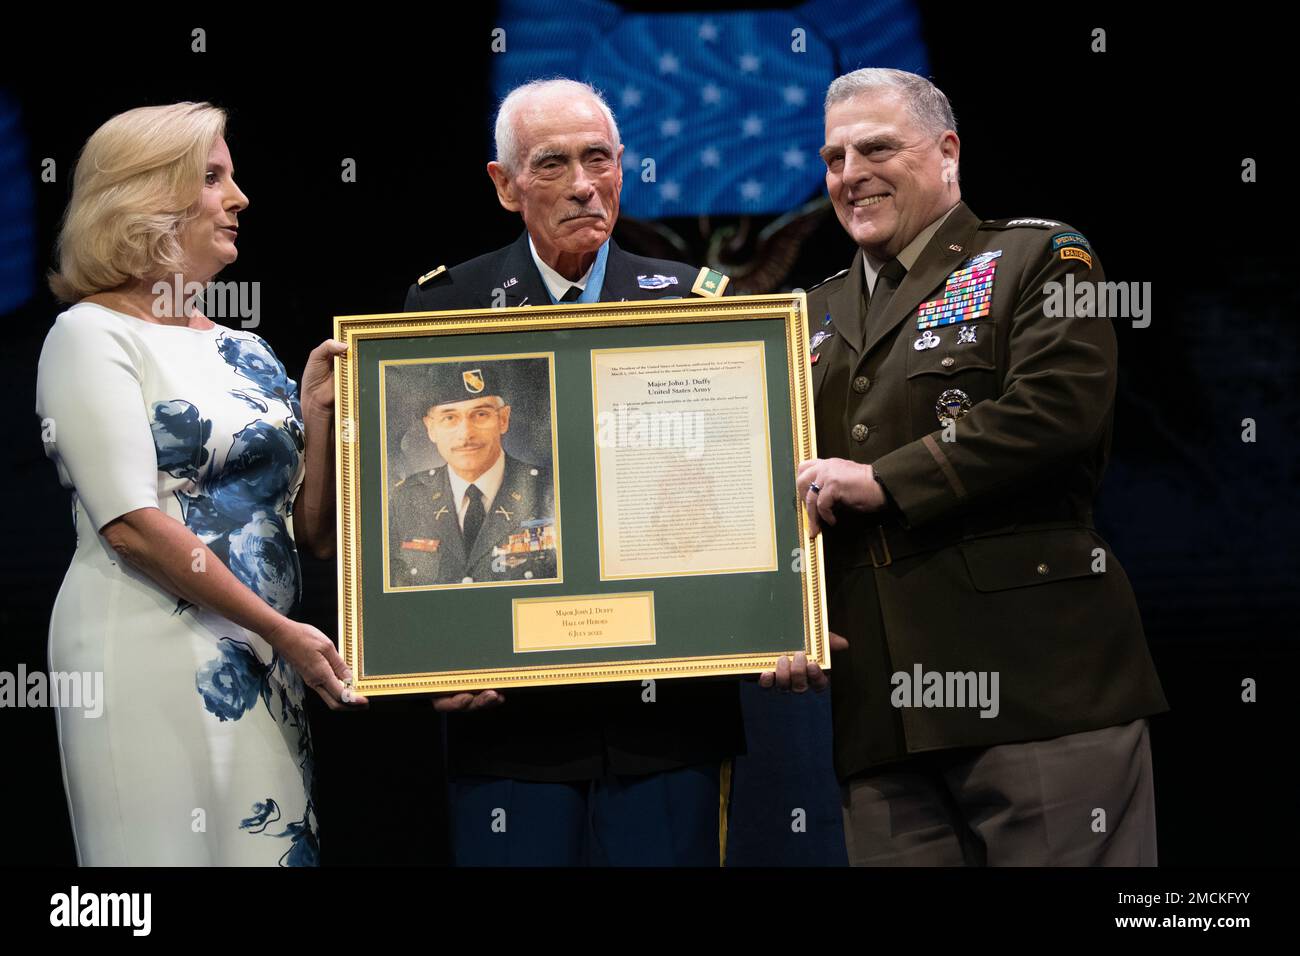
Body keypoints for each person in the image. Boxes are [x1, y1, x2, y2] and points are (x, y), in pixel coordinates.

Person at [761, 68, 1168, 866]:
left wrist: (886, 481)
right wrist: (775, 614)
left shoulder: (1041, 257)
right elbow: (766, 486)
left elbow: (1056, 410)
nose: (851, 173)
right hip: (880, 720)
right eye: (835, 158)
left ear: (947, 152)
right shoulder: (806, 315)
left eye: (877, 148)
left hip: (1038, 689)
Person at [403, 78, 743, 866]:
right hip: (507, 716)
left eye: (600, 159)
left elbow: (735, 491)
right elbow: (414, 511)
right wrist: (427, 651)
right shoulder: (444, 307)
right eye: (552, 164)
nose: (585, 185)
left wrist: (777, 611)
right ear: (505, 185)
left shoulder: (697, 304)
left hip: (670, 711)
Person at [35, 102, 366, 867]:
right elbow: (130, 525)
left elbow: (310, 532)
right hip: (146, 647)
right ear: (146, 199)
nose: (239, 197)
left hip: (264, 653)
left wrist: (317, 417)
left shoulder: (247, 350)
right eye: (213, 177)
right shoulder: (89, 334)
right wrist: (280, 630)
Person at [389, 363, 555, 586]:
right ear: (431, 429)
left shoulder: (551, 490)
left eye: (480, 414)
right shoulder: (404, 500)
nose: (466, 434)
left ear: (503, 419)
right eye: (449, 418)